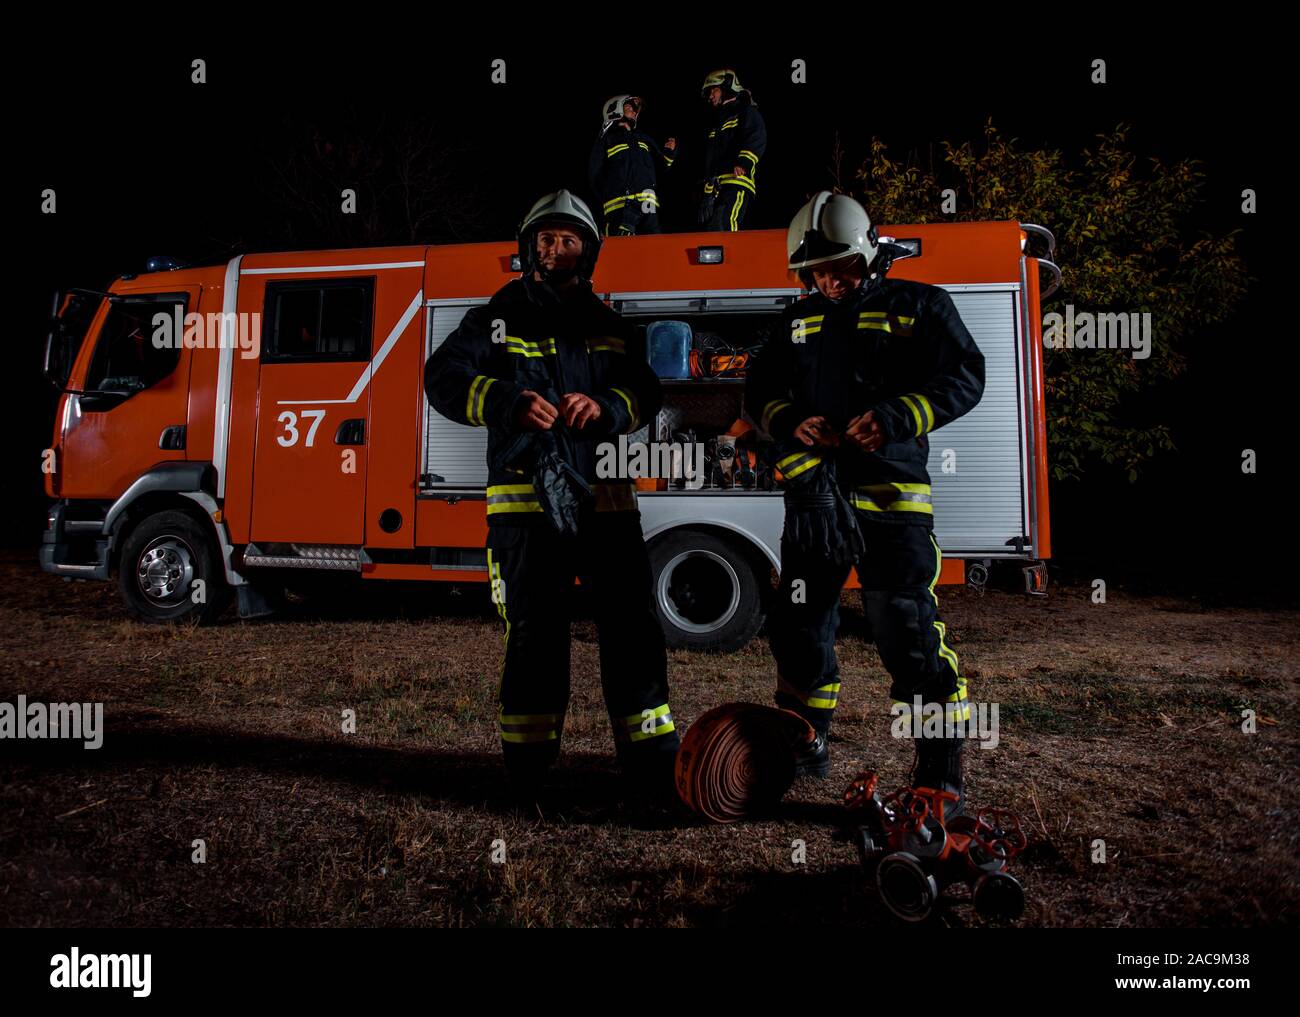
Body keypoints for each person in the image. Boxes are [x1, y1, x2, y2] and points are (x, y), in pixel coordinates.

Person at [423, 189, 681, 806]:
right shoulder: (496, 317)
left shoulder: (610, 324)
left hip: (607, 510)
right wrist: (508, 402)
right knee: (536, 639)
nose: (554, 249)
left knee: (633, 635)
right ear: (528, 248)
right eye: (545, 239)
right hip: (526, 511)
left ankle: (650, 774)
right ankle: (529, 780)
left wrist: (608, 406)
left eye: (567, 240)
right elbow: (443, 377)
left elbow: (645, 389)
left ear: (586, 251)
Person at [744, 192, 986, 816]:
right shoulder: (795, 320)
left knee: (904, 630)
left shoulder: (919, 305)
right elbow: (758, 394)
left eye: (842, 268)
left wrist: (899, 415)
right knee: (798, 628)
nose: (830, 281)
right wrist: (790, 421)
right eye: (818, 272)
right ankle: (806, 744)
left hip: (891, 503)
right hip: (816, 504)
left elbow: (965, 375)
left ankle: (938, 770)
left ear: (871, 257)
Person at [588, 94, 677, 236]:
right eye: (629, 107)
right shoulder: (606, 140)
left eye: (635, 109)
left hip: (648, 206)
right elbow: (594, 175)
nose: (634, 112)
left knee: (654, 249)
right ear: (614, 110)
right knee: (621, 252)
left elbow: (663, 167)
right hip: (620, 207)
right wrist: (611, 197)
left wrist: (669, 152)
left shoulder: (643, 138)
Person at [697, 69, 766, 231]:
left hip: (736, 180)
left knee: (727, 225)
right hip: (716, 187)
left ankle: (736, 257)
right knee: (711, 231)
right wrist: (707, 191)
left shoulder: (746, 112)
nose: (710, 97)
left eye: (713, 90)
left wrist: (744, 162)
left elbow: (756, 137)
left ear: (726, 87)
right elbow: (711, 159)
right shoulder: (716, 123)